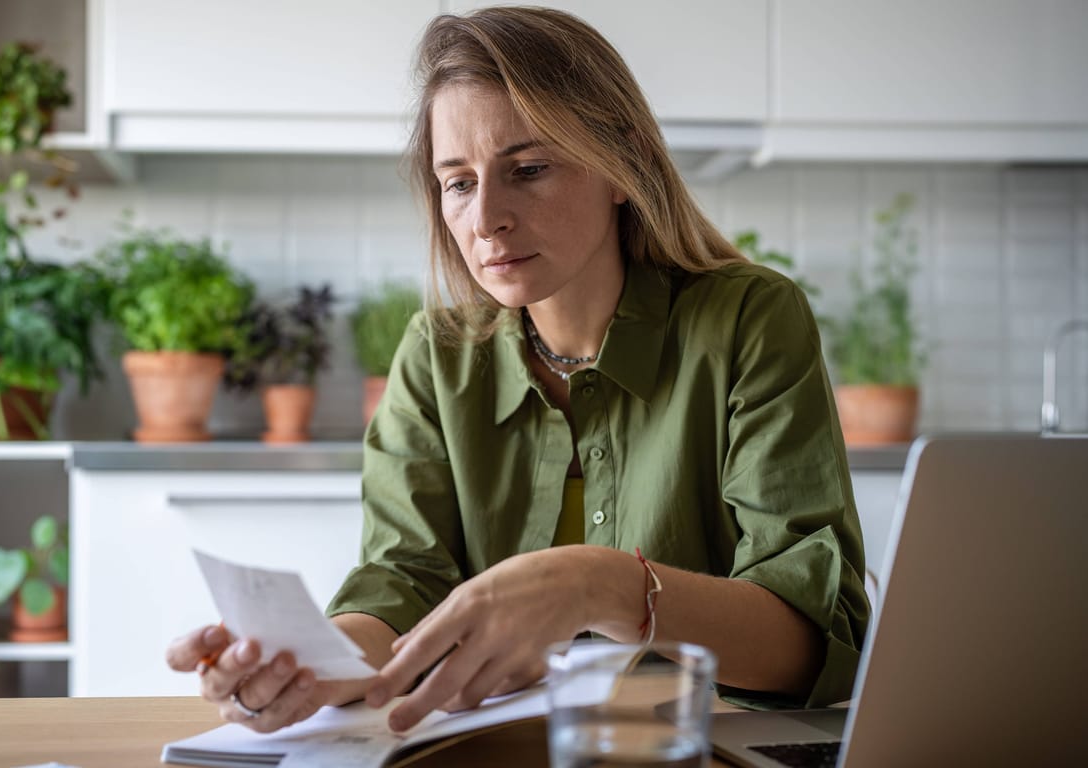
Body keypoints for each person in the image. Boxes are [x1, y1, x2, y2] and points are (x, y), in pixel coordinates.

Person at [166, 5, 869, 734]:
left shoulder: (751, 320)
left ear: (621, 166)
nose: (486, 218)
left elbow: (813, 643)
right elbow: (403, 584)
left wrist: (598, 585)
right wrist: (309, 665)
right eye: (458, 182)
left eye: (528, 169)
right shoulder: (435, 356)